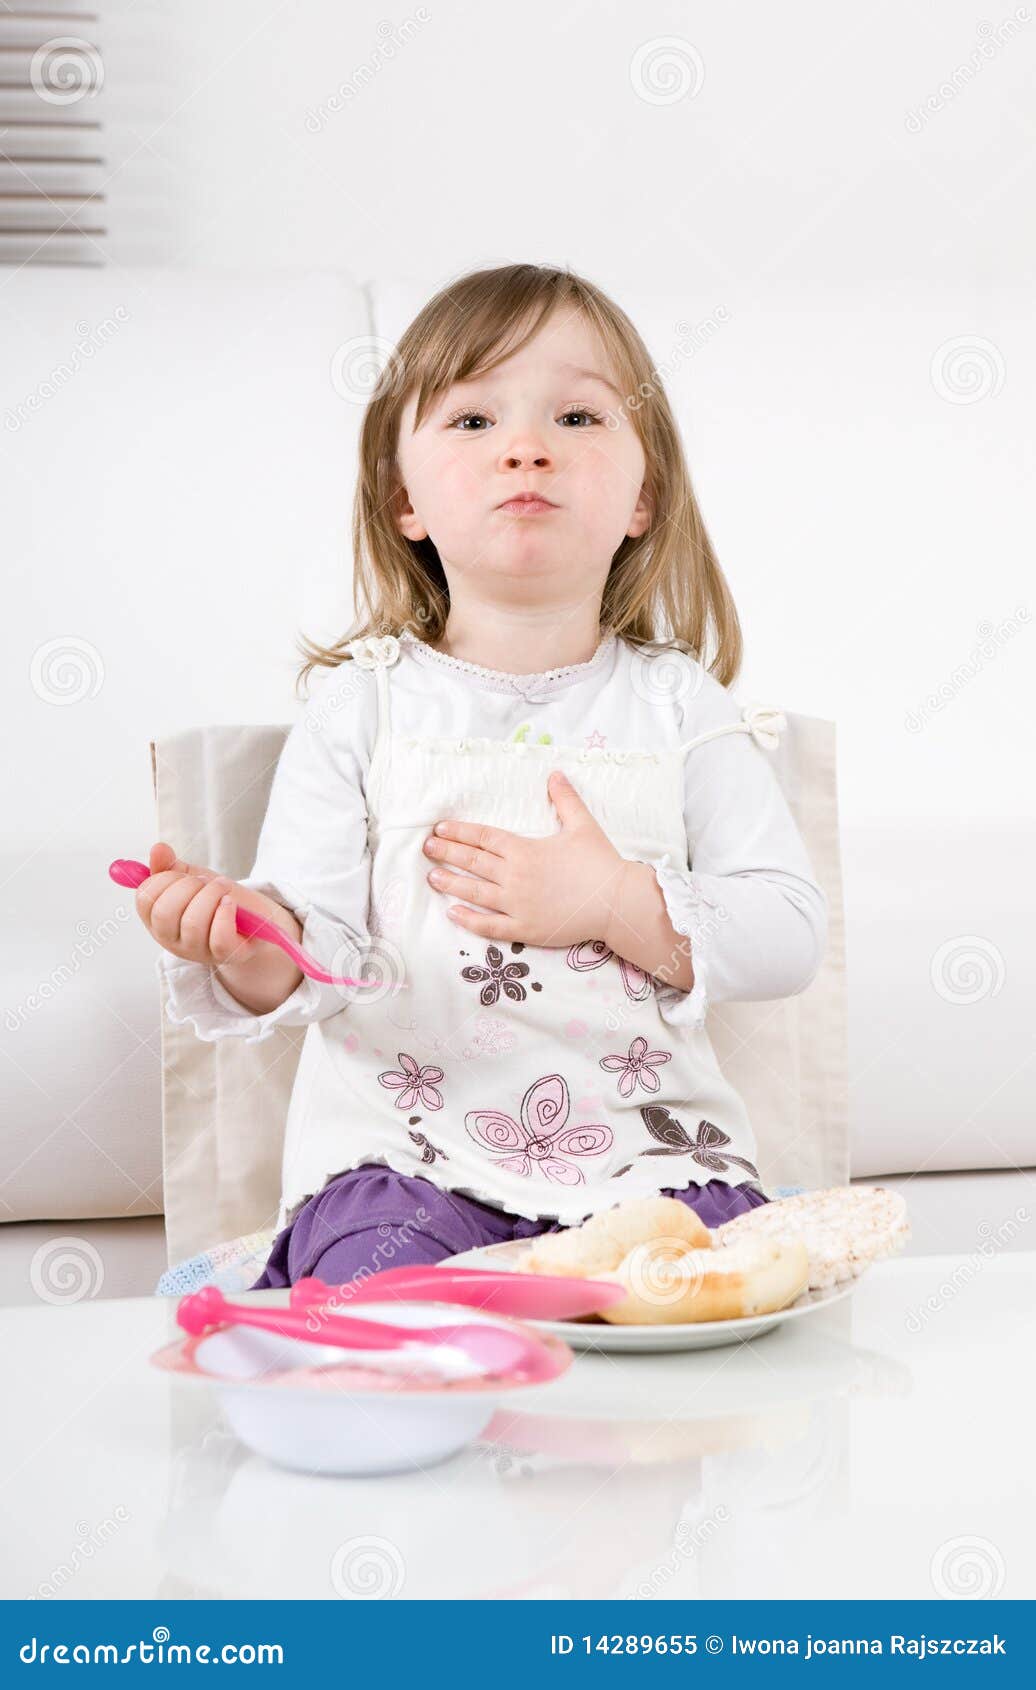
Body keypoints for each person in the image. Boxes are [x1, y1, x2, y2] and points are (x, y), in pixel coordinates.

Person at [135, 262, 827, 1290]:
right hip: (401, 1159)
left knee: (740, 1297)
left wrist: (610, 901)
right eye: (471, 421)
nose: (525, 445)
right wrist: (243, 939)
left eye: (578, 415)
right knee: (374, 1302)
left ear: (644, 495)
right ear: (402, 498)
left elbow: (788, 934)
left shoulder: (681, 708)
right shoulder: (358, 707)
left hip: (656, 1158)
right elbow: (310, 953)